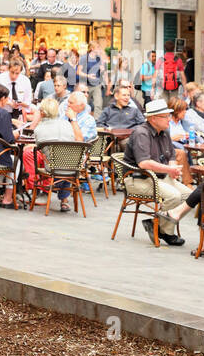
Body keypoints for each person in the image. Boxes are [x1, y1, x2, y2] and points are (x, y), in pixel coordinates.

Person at [123, 99, 192, 246]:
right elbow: (144, 163)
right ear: (153, 118)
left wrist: (173, 169)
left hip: (159, 177)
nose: (169, 119)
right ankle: (166, 232)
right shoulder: (141, 133)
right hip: (138, 179)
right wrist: (169, 169)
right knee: (174, 196)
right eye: (165, 116)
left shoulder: (165, 132)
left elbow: (171, 156)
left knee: (189, 196)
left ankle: (159, 227)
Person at [27, 95, 86, 212]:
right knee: (66, 163)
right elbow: (80, 141)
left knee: (41, 158)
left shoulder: (39, 129)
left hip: (52, 166)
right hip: (72, 166)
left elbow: (40, 149)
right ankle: (64, 200)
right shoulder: (67, 124)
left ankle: (41, 191)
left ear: (42, 113)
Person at [79, 39, 107, 115]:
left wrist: (102, 70)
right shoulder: (84, 58)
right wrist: (88, 76)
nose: (99, 49)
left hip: (97, 85)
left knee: (98, 104)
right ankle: (83, 118)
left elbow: (103, 72)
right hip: (86, 85)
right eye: (97, 47)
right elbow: (79, 72)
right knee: (84, 104)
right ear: (92, 49)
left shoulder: (99, 58)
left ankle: (97, 121)